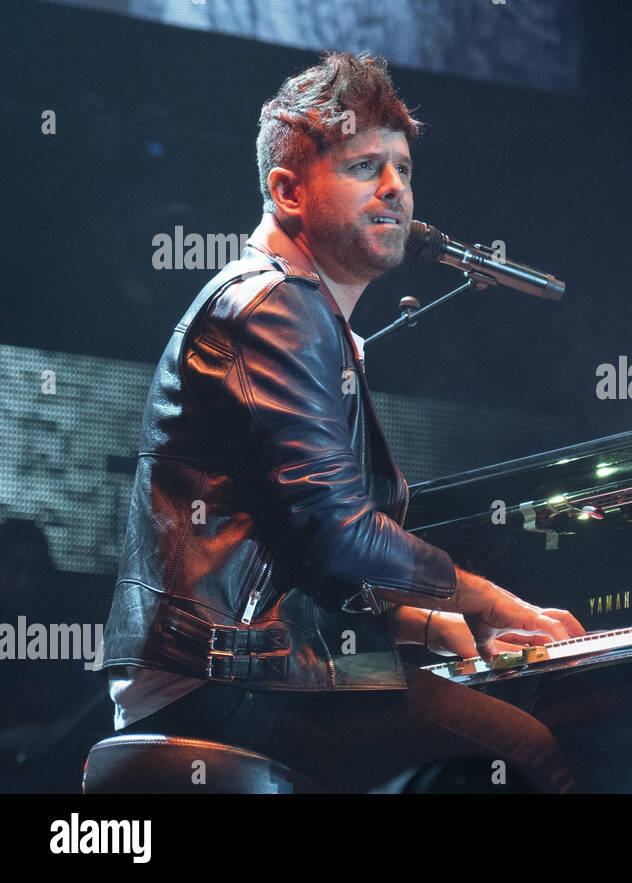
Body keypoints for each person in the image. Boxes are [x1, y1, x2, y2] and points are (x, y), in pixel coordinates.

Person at [96, 51, 584, 793]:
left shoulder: (291, 307)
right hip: (223, 677)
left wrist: (429, 625)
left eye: (404, 169)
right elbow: (341, 529)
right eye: (364, 167)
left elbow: (302, 552)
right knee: (524, 750)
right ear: (288, 191)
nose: (396, 188)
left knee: (468, 704)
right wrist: (489, 603)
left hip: (245, 661)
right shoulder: (277, 304)